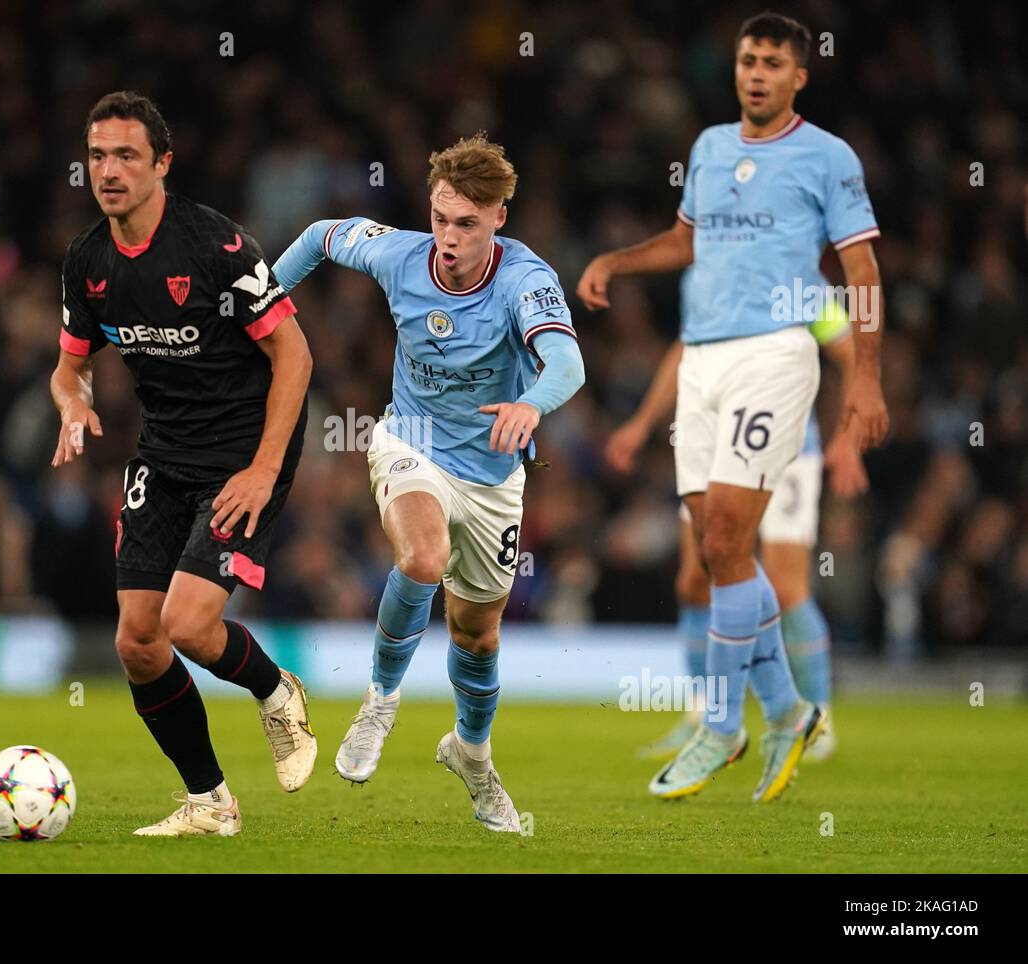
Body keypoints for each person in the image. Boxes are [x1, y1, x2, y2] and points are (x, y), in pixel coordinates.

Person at [577, 12, 887, 802]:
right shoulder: (712, 149)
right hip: (703, 362)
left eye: (772, 63)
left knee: (729, 539)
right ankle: (786, 711)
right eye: (747, 60)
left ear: (798, 76)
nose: (755, 73)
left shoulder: (828, 156)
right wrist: (619, 259)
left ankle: (723, 724)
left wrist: (868, 382)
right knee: (717, 554)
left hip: (775, 354)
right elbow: (687, 244)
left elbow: (862, 268)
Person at [274, 133, 586, 831]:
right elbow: (323, 236)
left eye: (467, 224)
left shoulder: (526, 281)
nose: (448, 237)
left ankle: (472, 756)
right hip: (409, 441)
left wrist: (531, 402)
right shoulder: (400, 253)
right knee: (421, 557)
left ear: (500, 217)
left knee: (477, 637)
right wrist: (260, 305)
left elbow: (567, 364)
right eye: (442, 218)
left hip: (493, 477)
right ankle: (379, 704)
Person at [50, 91, 317, 837]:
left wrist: (264, 471)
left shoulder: (215, 246)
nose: (110, 170)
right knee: (137, 639)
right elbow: (67, 367)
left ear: (162, 163)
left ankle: (276, 693)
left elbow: (293, 354)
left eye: (127, 155)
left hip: (242, 454)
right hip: (163, 453)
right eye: (98, 155)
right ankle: (210, 802)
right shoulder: (87, 260)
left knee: (191, 624)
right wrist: (71, 402)